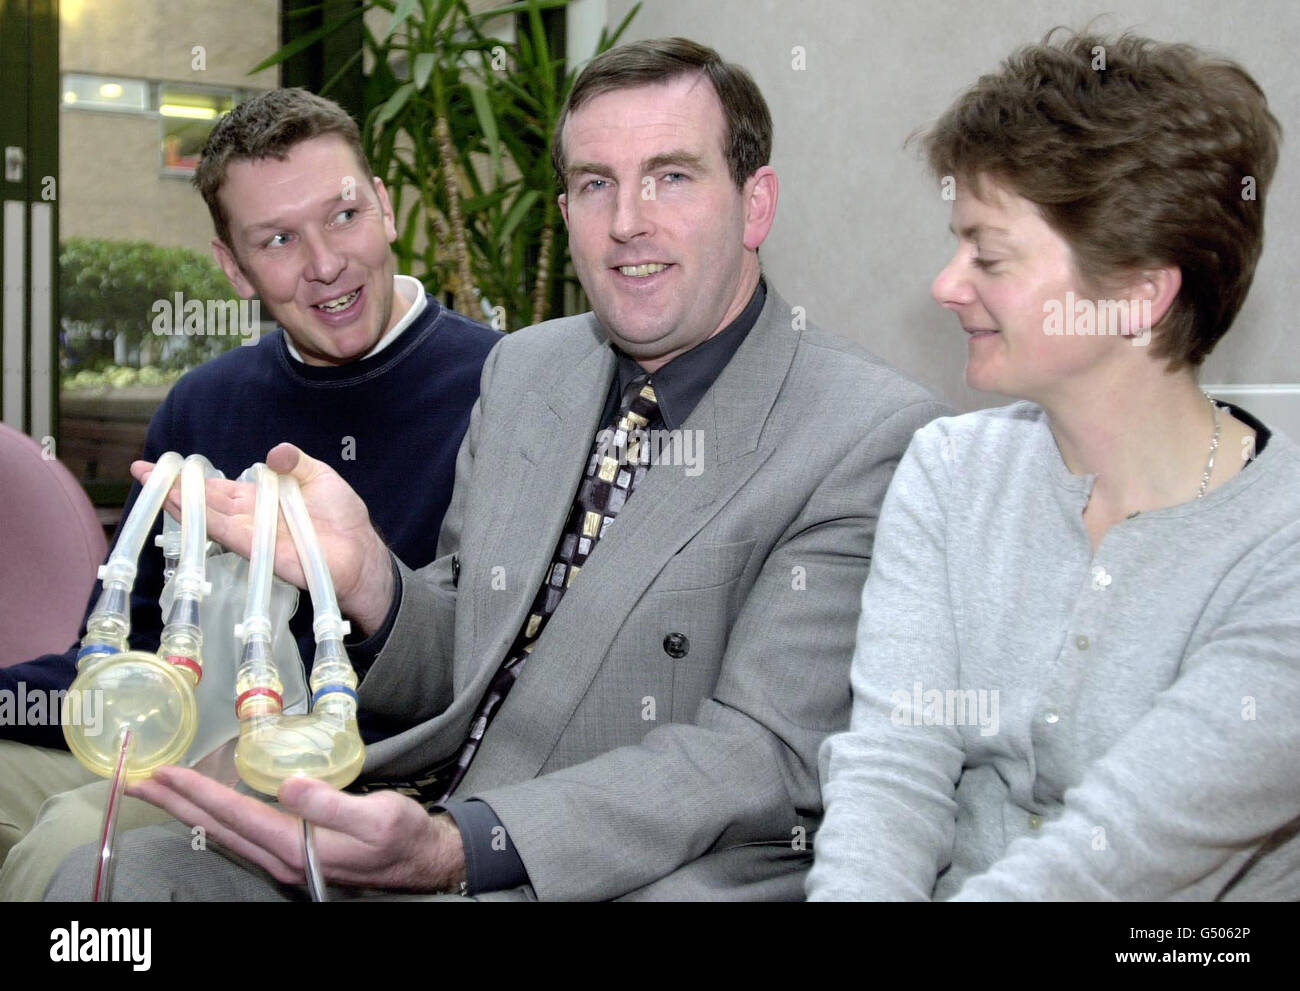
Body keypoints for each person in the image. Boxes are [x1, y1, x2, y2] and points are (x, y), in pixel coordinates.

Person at [45, 37, 946, 901]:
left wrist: (461, 846)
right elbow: (466, 652)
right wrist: (367, 579)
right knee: (125, 878)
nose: (628, 221)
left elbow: (757, 757)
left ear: (755, 203)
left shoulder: (863, 433)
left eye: (671, 176)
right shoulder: (530, 372)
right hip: (412, 814)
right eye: (596, 184)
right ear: (565, 213)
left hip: (605, 871)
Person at [807, 30, 1299, 901]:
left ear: (1141, 293)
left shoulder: (1282, 546)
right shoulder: (952, 469)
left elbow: (1116, 855)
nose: (947, 284)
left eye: (988, 255)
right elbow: (892, 768)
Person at [0, 88, 500, 898]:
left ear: (384, 206)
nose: (326, 262)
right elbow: (127, 647)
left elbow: (497, 664)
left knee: (68, 837)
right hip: (183, 740)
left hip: (360, 779)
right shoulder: (204, 406)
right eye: (278, 239)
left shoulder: (503, 391)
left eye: (343, 216)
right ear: (232, 266)